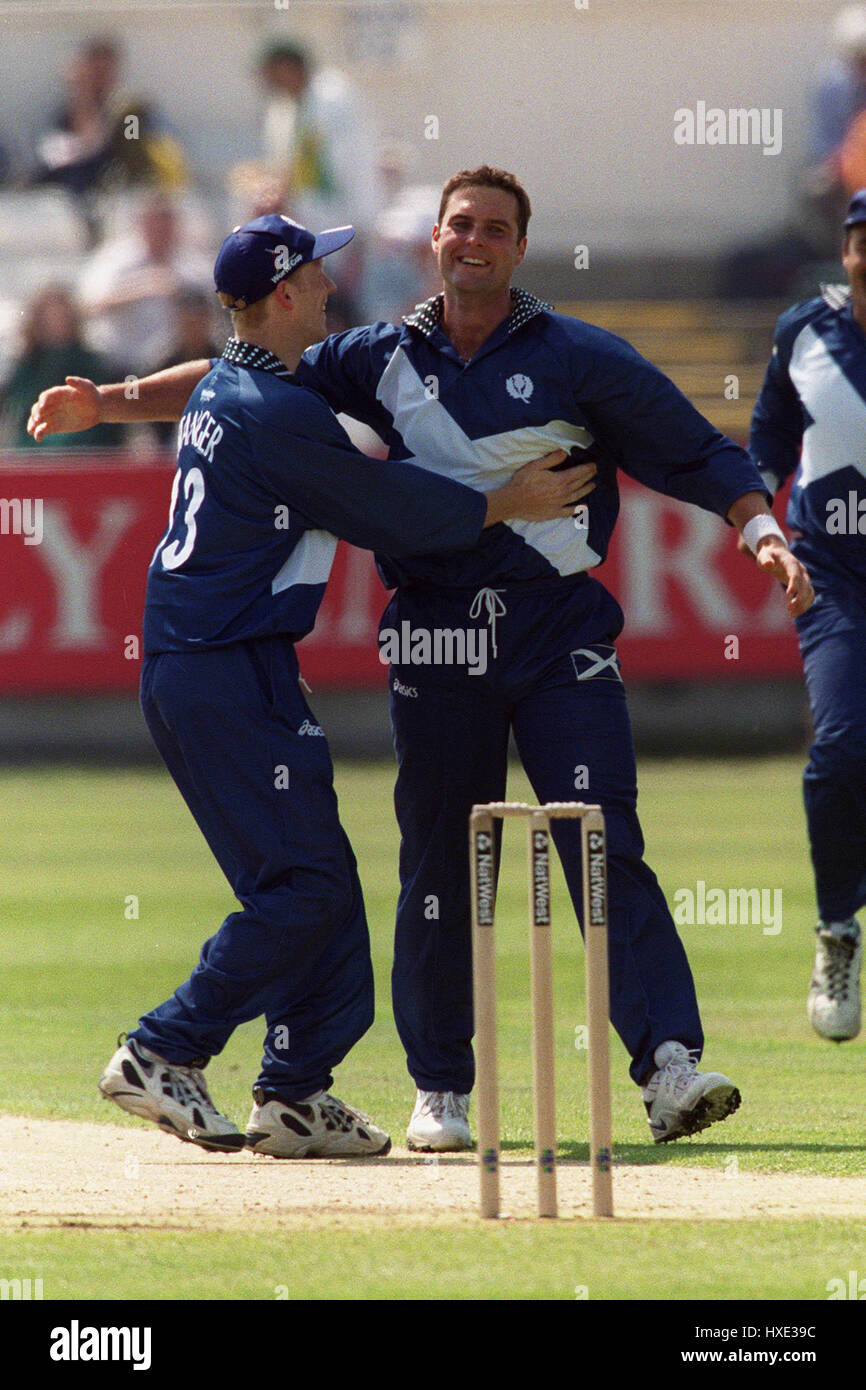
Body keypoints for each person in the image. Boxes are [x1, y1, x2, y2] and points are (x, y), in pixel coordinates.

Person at [28, 169, 814, 1155]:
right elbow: (293, 421)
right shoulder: (373, 354)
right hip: (430, 639)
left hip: (556, 630)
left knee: (596, 839)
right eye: (456, 226)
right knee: (437, 865)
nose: (471, 240)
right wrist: (114, 401)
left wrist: (760, 532)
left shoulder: (575, 356)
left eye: (493, 227)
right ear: (435, 242)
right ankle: (436, 1086)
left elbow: (692, 448)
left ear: (519, 247)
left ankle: (661, 1065)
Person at [53, 211, 589, 1159]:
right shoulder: (279, 415)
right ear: (285, 293)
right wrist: (511, 499)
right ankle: (160, 1049)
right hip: (225, 671)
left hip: (222, 665)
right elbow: (387, 509)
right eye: (318, 274)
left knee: (325, 887)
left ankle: (294, 1093)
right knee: (302, 890)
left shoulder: (240, 382)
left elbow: (197, 384)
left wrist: (113, 400)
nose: (334, 287)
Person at [747, 189, 866, 1045]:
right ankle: (837, 931)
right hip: (834, 576)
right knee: (841, 747)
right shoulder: (805, 330)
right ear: (848, 249)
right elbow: (765, 445)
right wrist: (766, 535)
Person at [0, 285, 123, 450]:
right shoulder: (27, 365)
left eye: (61, 316)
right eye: (50, 317)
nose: (57, 322)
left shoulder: (91, 362)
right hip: (34, 448)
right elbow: (19, 407)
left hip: (86, 449)